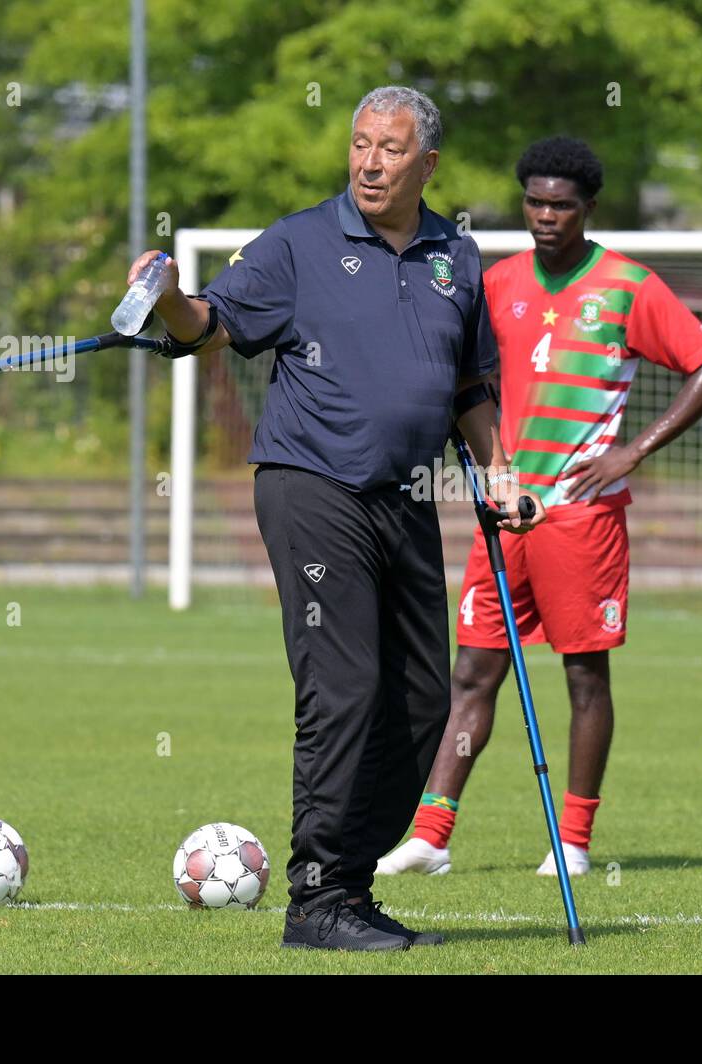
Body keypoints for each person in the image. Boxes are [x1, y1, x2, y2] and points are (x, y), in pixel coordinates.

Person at [127, 86, 544, 949]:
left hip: (406, 497)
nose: (369, 162)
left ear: (427, 162)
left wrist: (498, 471)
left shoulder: (454, 258)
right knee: (343, 686)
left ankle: (348, 886)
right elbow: (209, 325)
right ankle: (316, 897)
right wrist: (166, 295)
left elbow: (470, 384)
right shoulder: (298, 243)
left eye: (390, 149)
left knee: (426, 700)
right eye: (359, 144)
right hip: (312, 486)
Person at [377, 136, 702, 878]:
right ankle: (431, 837)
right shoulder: (496, 282)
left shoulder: (629, 287)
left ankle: (572, 841)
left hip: (582, 516)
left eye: (562, 206)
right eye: (535, 202)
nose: (546, 216)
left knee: (584, 679)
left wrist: (632, 452)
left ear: (588, 209)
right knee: (472, 674)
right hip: (503, 509)